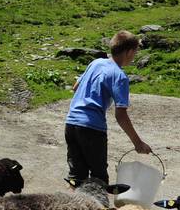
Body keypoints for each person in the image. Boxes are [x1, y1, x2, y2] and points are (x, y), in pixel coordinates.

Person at [64, 30, 151, 186]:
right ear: (129, 51)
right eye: (135, 53)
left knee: (76, 176)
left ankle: (75, 208)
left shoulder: (96, 63)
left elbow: (76, 87)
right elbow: (121, 115)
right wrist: (137, 143)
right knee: (98, 179)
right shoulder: (120, 76)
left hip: (71, 123)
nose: (134, 57)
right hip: (92, 128)